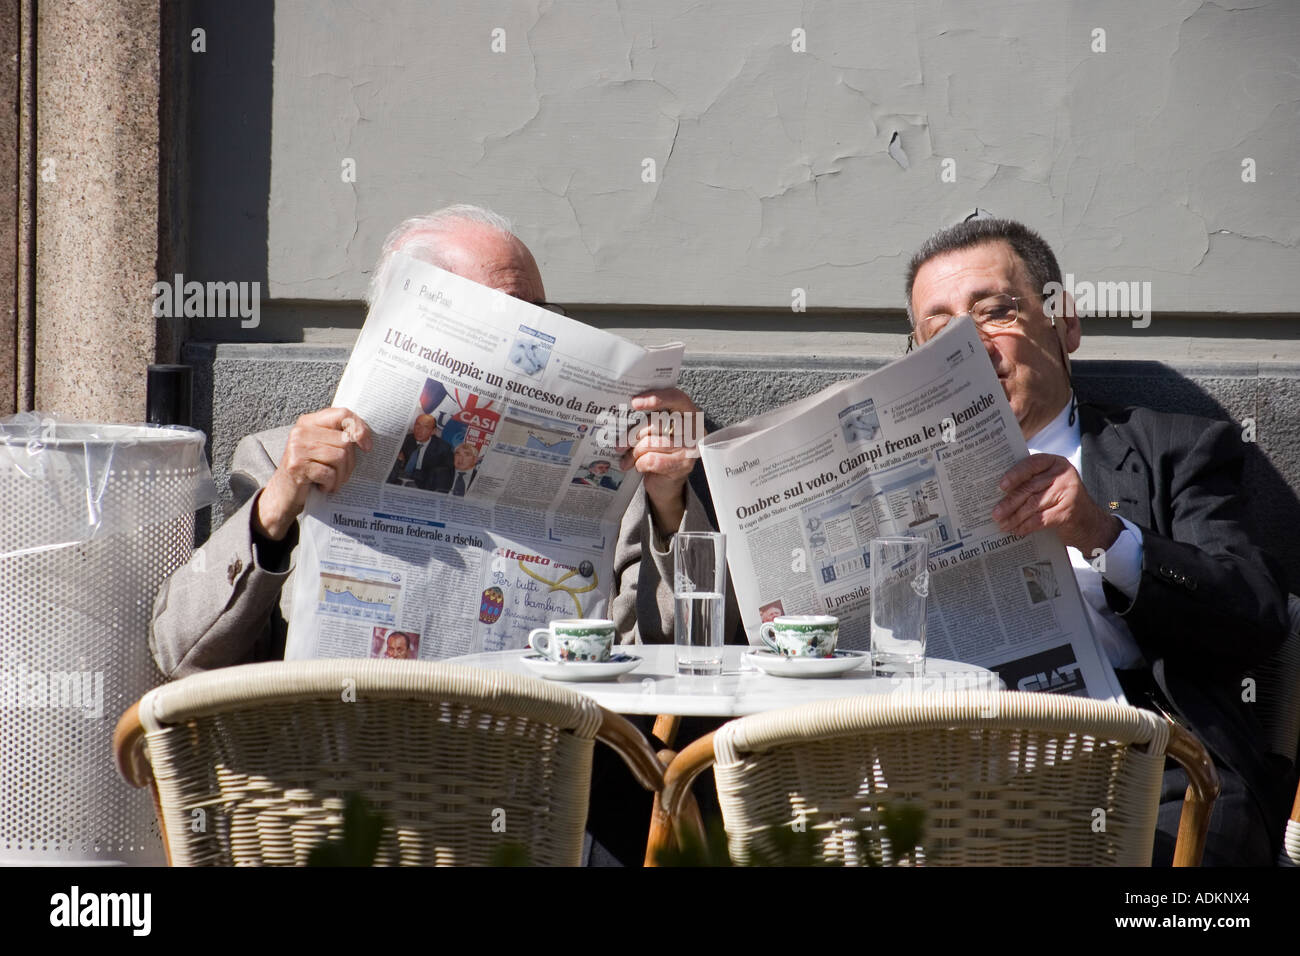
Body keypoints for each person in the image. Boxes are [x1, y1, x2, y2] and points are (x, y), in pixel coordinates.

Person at [150, 204, 722, 677]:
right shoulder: (278, 459)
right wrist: (277, 503)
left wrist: (670, 504)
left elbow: (674, 658)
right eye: (501, 318)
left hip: (535, 786)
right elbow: (181, 653)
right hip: (342, 790)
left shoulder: (614, 469)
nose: (536, 342)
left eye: (542, 317)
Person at [905, 217, 1291, 865]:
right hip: (944, 764)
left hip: (1148, 762)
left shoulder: (1175, 449)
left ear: (1066, 325)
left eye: (995, 313)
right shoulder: (895, 482)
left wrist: (1106, 535)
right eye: (939, 331)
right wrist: (669, 504)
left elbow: (1255, 616)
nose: (970, 347)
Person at [389, 414, 453, 491]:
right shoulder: (405, 440)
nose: (419, 430)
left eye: (425, 427)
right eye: (417, 424)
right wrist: (399, 460)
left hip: (424, 486)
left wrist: (417, 474)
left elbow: (444, 476)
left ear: (433, 431)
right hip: (400, 482)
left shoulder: (443, 448)